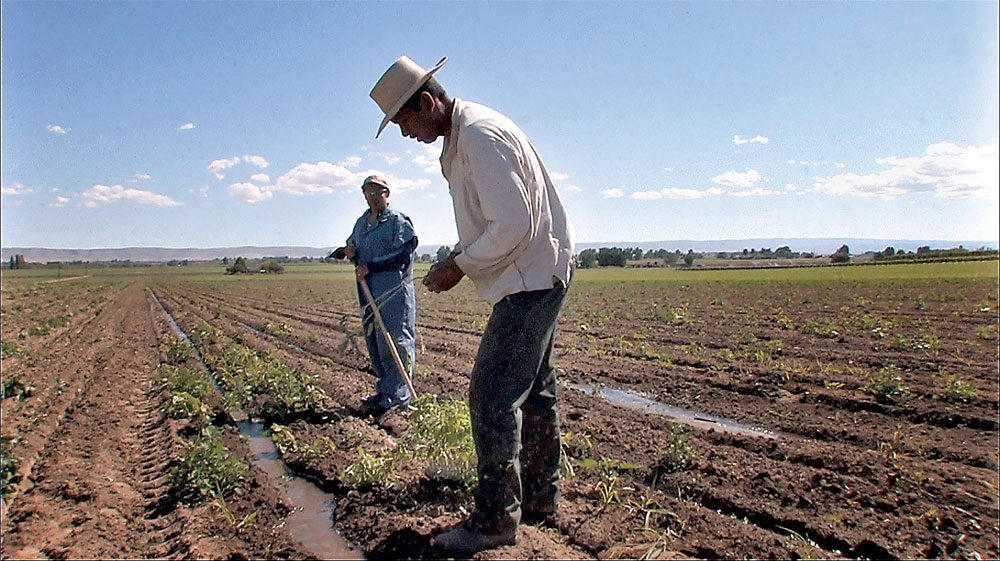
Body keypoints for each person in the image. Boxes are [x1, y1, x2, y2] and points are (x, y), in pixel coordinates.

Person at [370, 56, 575, 554]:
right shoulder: (462, 138)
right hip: (534, 272)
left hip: (529, 276)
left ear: (426, 102)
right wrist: (460, 258)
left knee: (491, 395)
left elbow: (513, 223)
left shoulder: (479, 136)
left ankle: (494, 521)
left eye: (403, 121)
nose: (404, 134)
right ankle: (540, 501)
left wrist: (459, 264)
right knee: (535, 391)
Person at [331, 175, 417, 420]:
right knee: (376, 341)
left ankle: (399, 397)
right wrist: (345, 252)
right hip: (368, 291)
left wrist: (373, 266)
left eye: (376, 192)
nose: (371, 197)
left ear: (386, 194)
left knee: (396, 340)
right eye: (367, 193)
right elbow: (350, 248)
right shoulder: (361, 223)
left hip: (394, 292)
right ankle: (385, 391)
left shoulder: (398, 221)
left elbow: (404, 252)